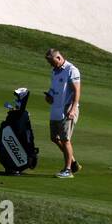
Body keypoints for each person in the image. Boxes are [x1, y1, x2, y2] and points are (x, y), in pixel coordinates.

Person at [45, 48, 82, 178]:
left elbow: (76, 91)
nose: (51, 64)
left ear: (59, 58)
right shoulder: (54, 72)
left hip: (67, 108)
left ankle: (68, 170)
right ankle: (72, 162)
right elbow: (54, 89)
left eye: (52, 61)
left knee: (66, 139)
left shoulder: (71, 70)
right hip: (56, 107)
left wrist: (72, 109)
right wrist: (49, 96)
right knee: (54, 138)